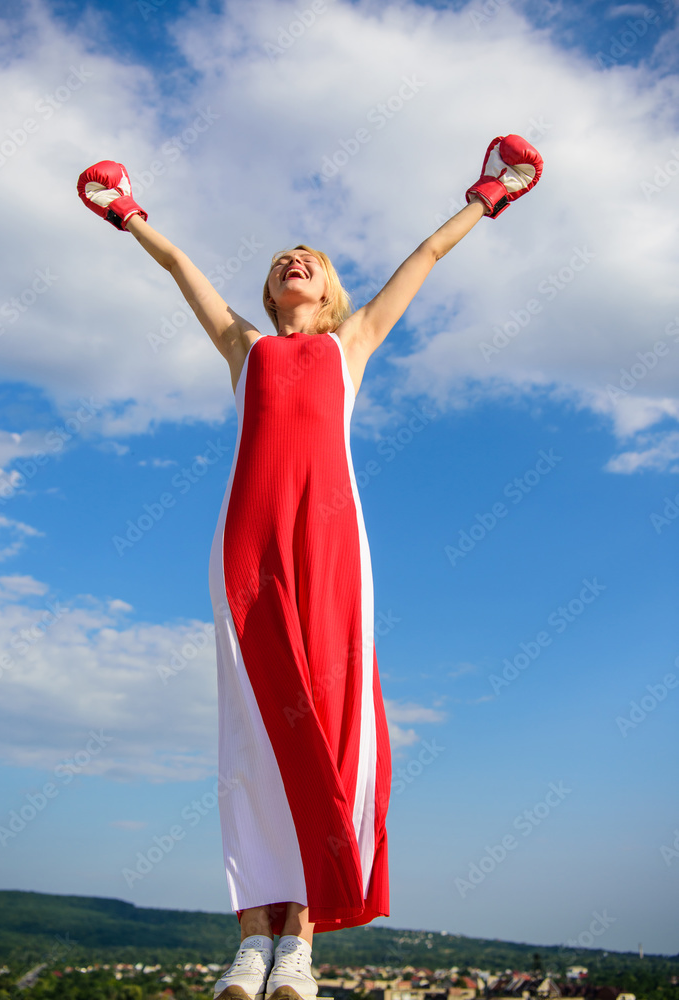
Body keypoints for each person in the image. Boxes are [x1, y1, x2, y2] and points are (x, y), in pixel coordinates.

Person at [77, 134, 543, 1000]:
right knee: (253, 722)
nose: (295, 260)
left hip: (329, 543)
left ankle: (302, 940)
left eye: (312, 260)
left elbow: (427, 256)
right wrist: (129, 213)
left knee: (328, 721)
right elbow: (181, 267)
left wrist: (485, 198)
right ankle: (251, 937)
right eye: (283, 259)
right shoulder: (244, 348)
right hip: (246, 543)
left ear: (327, 292)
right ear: (267, 291)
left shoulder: (351, 341)